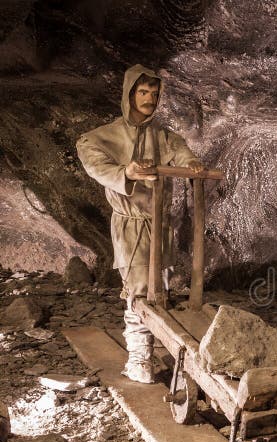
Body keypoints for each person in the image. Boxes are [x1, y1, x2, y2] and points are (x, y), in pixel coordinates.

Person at [76, 64, 204, 383]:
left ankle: (157, 345)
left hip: (160, 226)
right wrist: (126, 173)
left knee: (159, 288)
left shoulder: (163, 136)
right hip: (131, 226)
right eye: (143, 92)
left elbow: (184, 154)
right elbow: (90, 154)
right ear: (130, 94)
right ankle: (139, 358)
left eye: (154, 93)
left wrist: (192, 166)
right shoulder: (106, 135)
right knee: (137, 291)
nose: (150, 98)